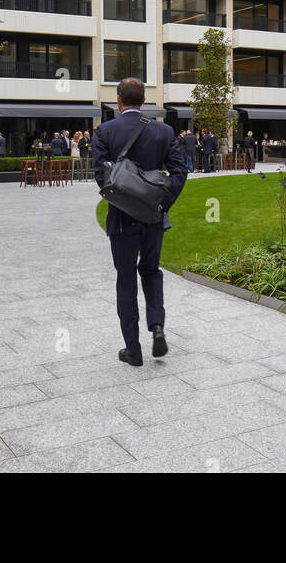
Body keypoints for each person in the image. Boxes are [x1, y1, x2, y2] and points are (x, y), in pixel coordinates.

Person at [93, 78, 187, 367]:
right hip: (153, 216)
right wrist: (160, 203)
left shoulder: (105, 131)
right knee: (151, 271)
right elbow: (179, 171)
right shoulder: (163, 130)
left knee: (125, 281)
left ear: (119, 101)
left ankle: (132, 350)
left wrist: (125, 201)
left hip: (122, 220)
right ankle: (157, 327)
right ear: (143, 100)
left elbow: (101, 177)